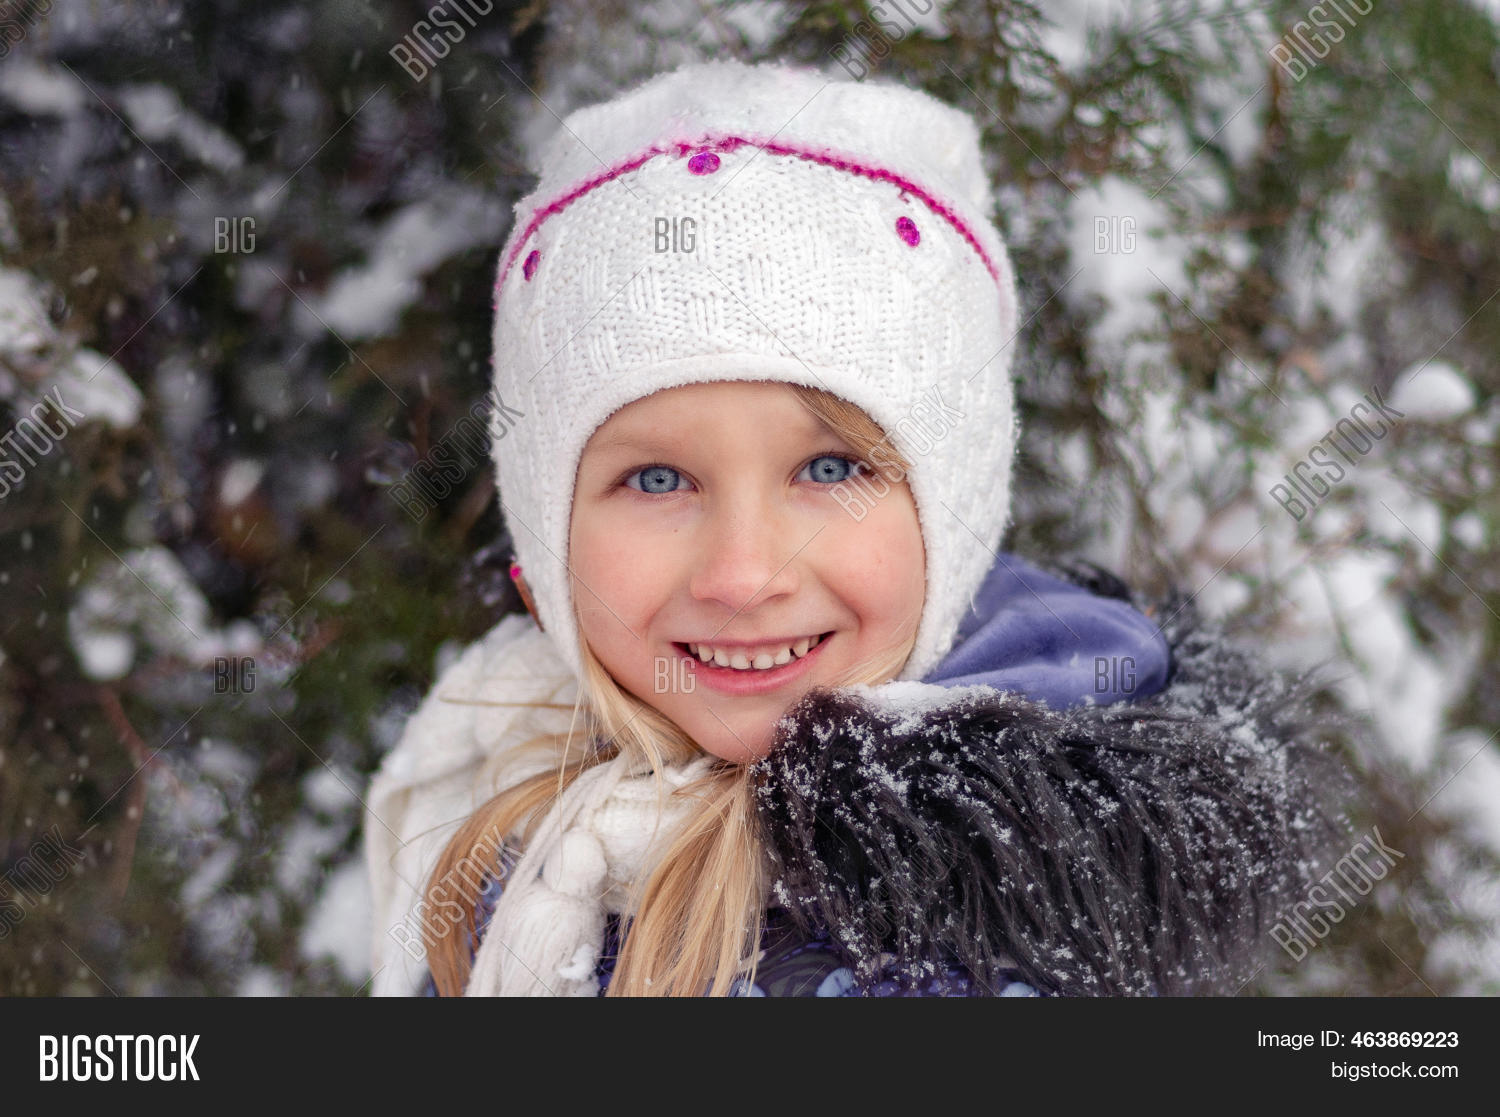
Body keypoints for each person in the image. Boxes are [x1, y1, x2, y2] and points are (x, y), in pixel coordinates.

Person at [363, 58, 1346, 997]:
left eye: (830, 469)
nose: (744, 574)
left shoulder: (961, 945)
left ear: (954, 519)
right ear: (548, 534)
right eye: (658, 478)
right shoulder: (507, 766)